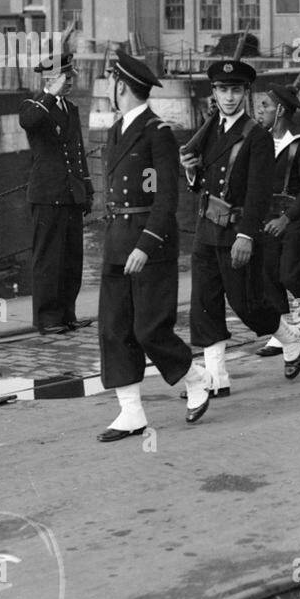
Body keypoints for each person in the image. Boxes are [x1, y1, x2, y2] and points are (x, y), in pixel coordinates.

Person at [181, 60, 300, 414]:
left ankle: (289, 337)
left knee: (246, 305)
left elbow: (259, 192)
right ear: (214, 93)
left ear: (245, 93)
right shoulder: (209, 130)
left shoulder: (257, 136)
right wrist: (191, 175)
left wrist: (247, 235)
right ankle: (216, 377)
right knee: (203, 304)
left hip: (237, 230)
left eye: (236, 90)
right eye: (223, 90)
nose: (229, 97)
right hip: (207, 228)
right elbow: (202, 184)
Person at [96, 52, 209, 442]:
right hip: (116, 240)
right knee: (114, 330)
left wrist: (145, 244)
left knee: (148, 329)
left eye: (113, 82)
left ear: (120, 86)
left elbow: (166, 198)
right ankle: (131, 412)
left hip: (148, 244)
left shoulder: (157, 131)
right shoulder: (116, 129)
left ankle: (195, 379)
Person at [251, 83, 300, 355]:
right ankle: (285, 330)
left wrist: (286, 218)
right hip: (267, 216)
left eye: (265, 105)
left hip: (296, 217)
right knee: (268, 274)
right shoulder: (261, 140)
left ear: (281, 110)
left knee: (289, 274)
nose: (259, 110)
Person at [19, 51, 93, 335]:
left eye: (71, 75)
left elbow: (77, 152)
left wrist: (87, 189)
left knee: (72, 258)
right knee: (48, 259)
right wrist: (50, 93)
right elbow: (31, 122)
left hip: (71, 194)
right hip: (47, 194)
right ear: (51, 79)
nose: (71, 80)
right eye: (66, 76)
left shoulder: (70, 108)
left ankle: (66, 313)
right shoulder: (33, 104)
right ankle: (47, 318)